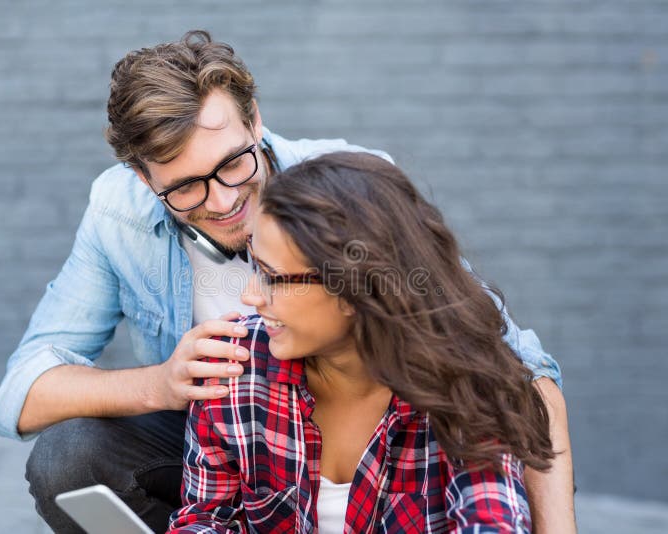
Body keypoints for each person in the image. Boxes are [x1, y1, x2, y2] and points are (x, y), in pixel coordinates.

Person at [0, 31, 573, 532]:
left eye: (234, 162)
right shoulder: (119, 212)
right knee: (67, 458)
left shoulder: (350, 189)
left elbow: (513, 372)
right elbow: (23, 389)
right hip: (233, 428)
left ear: (255, 118)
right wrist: (162, 385)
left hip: (373, 429)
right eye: (186, 186)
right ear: (142, 177)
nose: (225, 200)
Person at [168, 151, 555, 533]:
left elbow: (491, 522)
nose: (252, 296)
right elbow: (205, 518)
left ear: (356, 290)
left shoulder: (465, 388)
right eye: (257, 266)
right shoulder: (234, 365)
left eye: (274, 277)